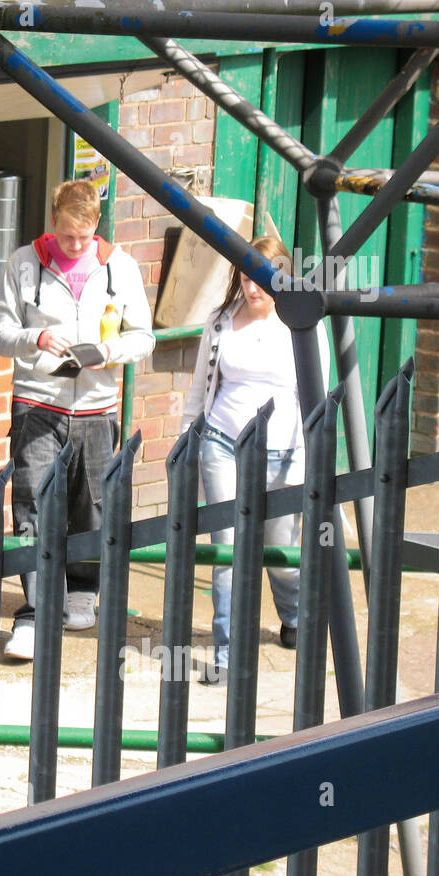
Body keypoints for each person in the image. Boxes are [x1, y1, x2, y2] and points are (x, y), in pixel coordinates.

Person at [0, 179, 154, 662]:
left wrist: (109, 350)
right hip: (38, 402)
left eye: (84, 237)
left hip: (97, 406)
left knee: (93, 505)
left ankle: (83, 587)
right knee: (32, 506)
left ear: (96, 226)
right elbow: (1, 334)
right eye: (67, 237)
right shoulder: (23, 262)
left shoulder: (119, 266)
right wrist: (34, 339)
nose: (76, 245)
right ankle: (38, 610)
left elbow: (144, 337)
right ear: (53, 221)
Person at [180, 235, 330, 686]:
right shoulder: (221, 321)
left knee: (279, 555)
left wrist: (315, 455)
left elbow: (315, 394)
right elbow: (201, 384)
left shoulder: (302, 324)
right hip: (223, 443)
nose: (253, 289)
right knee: (228, 552)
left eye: (263, 280)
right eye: (246, 278)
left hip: (285, 451)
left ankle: (295, 615)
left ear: (282, 276)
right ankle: (227, 655)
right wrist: (190, 432)